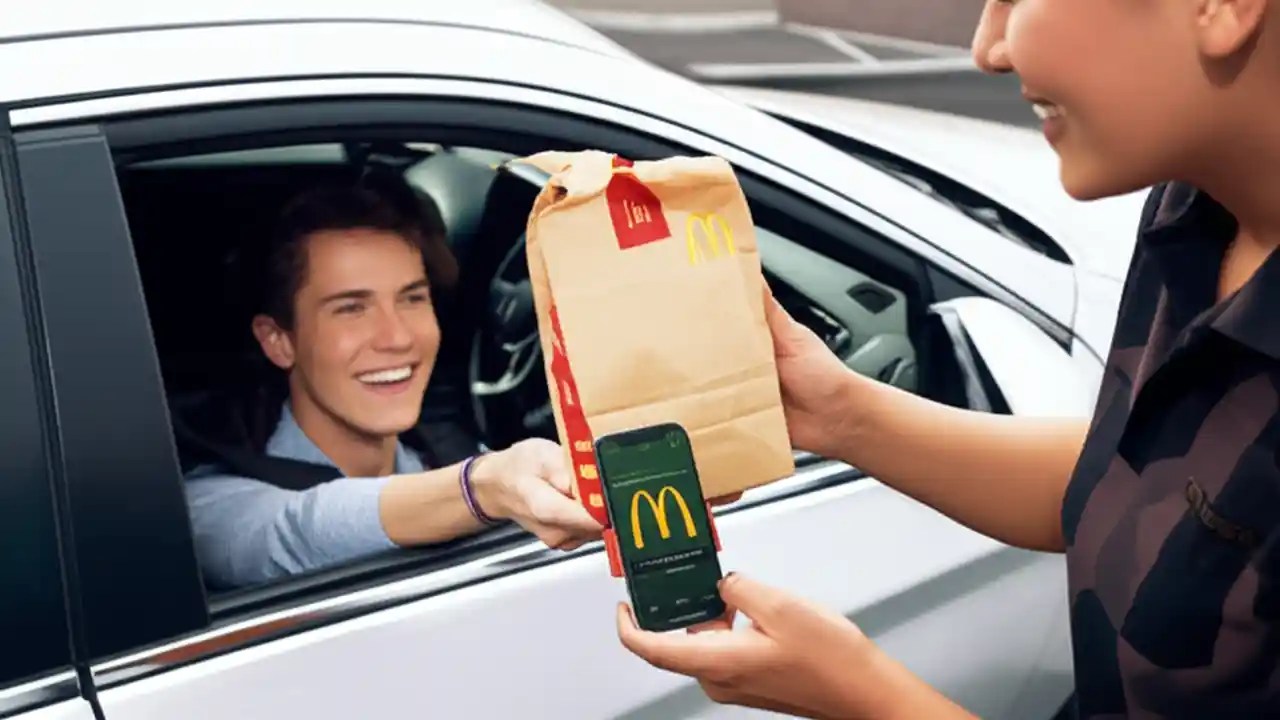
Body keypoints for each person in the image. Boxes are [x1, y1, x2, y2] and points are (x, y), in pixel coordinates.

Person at [617, 0, 1280, 717]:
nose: (988, 47)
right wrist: (836, 411)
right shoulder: (1196, 209)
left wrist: (867, 696)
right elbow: (1144, 475)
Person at [181, 182, 601, 589]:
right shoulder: (210, 502)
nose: (397, 337)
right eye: (351, 309)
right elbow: (297, 531)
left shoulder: (450, 455)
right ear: (279, 341)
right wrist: (483, 487)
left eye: (412, 298)